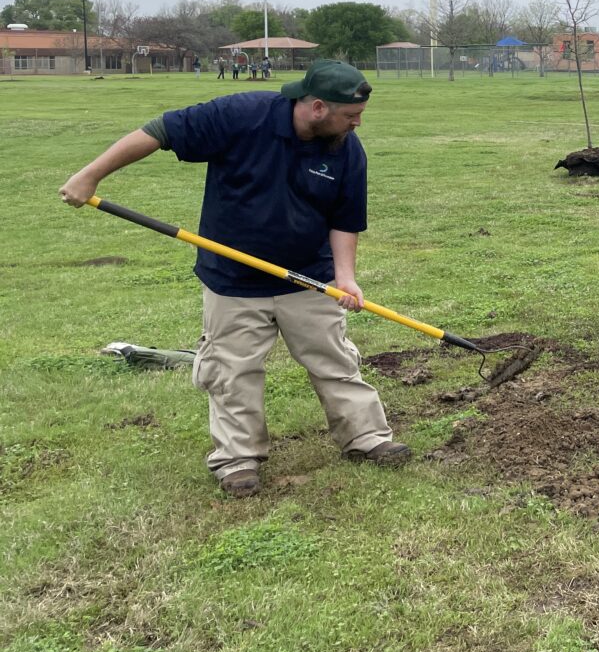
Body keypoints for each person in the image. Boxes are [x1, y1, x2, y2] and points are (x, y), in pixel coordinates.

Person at [59, 59, 409, 498]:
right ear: (317, 107)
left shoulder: (345, 149)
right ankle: (237, 460)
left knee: (336, 362)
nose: (357, 124)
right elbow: (158, 131)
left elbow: (344, 220)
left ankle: (366, 438)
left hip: (307, 278)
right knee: (232, 370)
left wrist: (345, 277)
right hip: (232, 281)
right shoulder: (241, 115)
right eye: (351, 116)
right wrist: (90, 175)